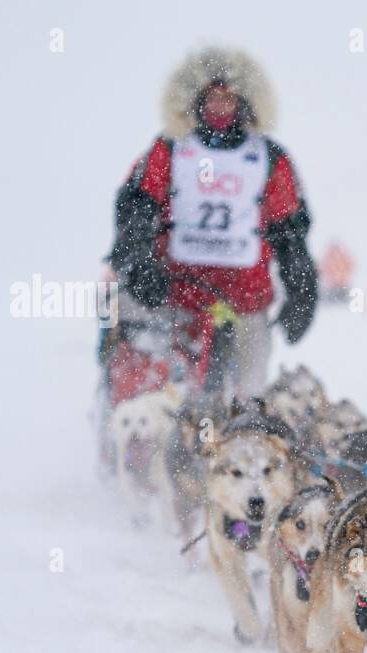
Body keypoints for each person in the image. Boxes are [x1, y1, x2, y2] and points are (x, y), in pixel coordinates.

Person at [108, 47, 317, 399]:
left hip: (244, 299)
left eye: (228, 99)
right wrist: (140, 262)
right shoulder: (170, 149)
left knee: (249, 397)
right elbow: (137, 210)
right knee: (152, 393)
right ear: (195, 101)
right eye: (212, 98)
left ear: (245, 104)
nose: (220, 107)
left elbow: (289, 232)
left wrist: (301, 290)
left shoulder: (269, 159)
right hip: (172, 291)